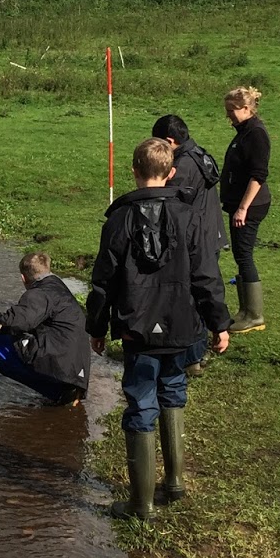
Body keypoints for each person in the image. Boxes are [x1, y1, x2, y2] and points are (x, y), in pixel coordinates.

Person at [85, 137, 231, 520]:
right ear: (170, 173)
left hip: (138, 329)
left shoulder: (118, 219)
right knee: (173, 389)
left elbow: (103, 281)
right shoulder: (190, 215)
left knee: (141, 403)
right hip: (183, 325)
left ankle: (142, 504)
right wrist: (220, 324)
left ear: (134, 171)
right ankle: (174, 482)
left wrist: (96, 327)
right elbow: (206, 275)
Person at [0, 251, 91, 405]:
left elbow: (15, 322)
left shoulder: (39, 294)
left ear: (23, 278)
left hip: (62, 374)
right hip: (76, 379)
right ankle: (62, 395)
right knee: (4, 360)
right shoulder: (59, 288)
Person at [151, 112, 226, 376]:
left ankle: (192, 358)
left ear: (171, 141)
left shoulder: (181, 169)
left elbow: (172, 207)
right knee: (200, 291)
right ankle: (195, 352)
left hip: (196, 240)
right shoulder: (199, 153)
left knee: (193, 296)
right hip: (209, 233)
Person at [220, 85, 271, 334]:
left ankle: (254, 314)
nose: (228, 115)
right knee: (241, 254)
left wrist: (242, 208)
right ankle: (244, 311)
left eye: (231, 110)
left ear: (247, 109)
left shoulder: (256, 134)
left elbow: (258, 175)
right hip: (240, 204)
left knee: (244, 255)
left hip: (250, 206)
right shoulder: (244, 130)